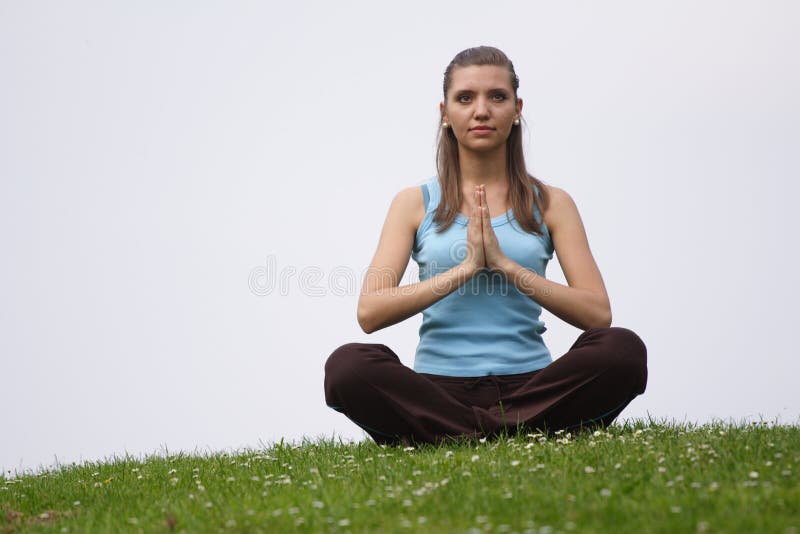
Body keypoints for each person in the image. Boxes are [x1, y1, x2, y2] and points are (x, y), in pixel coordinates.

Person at [324, 46, 647, 446]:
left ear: (516, 109)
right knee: (348, 366)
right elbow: (370, 312)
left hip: (531, 389)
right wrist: (465, 270)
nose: (481, 111)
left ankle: (458, 433)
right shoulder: (413, 203)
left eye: (497, 97)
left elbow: (598, 314)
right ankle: (512, 431)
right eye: (465, 98)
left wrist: (505, 265)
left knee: (622, 350)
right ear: (445, 113)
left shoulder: (552, 203)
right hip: (438, 392)